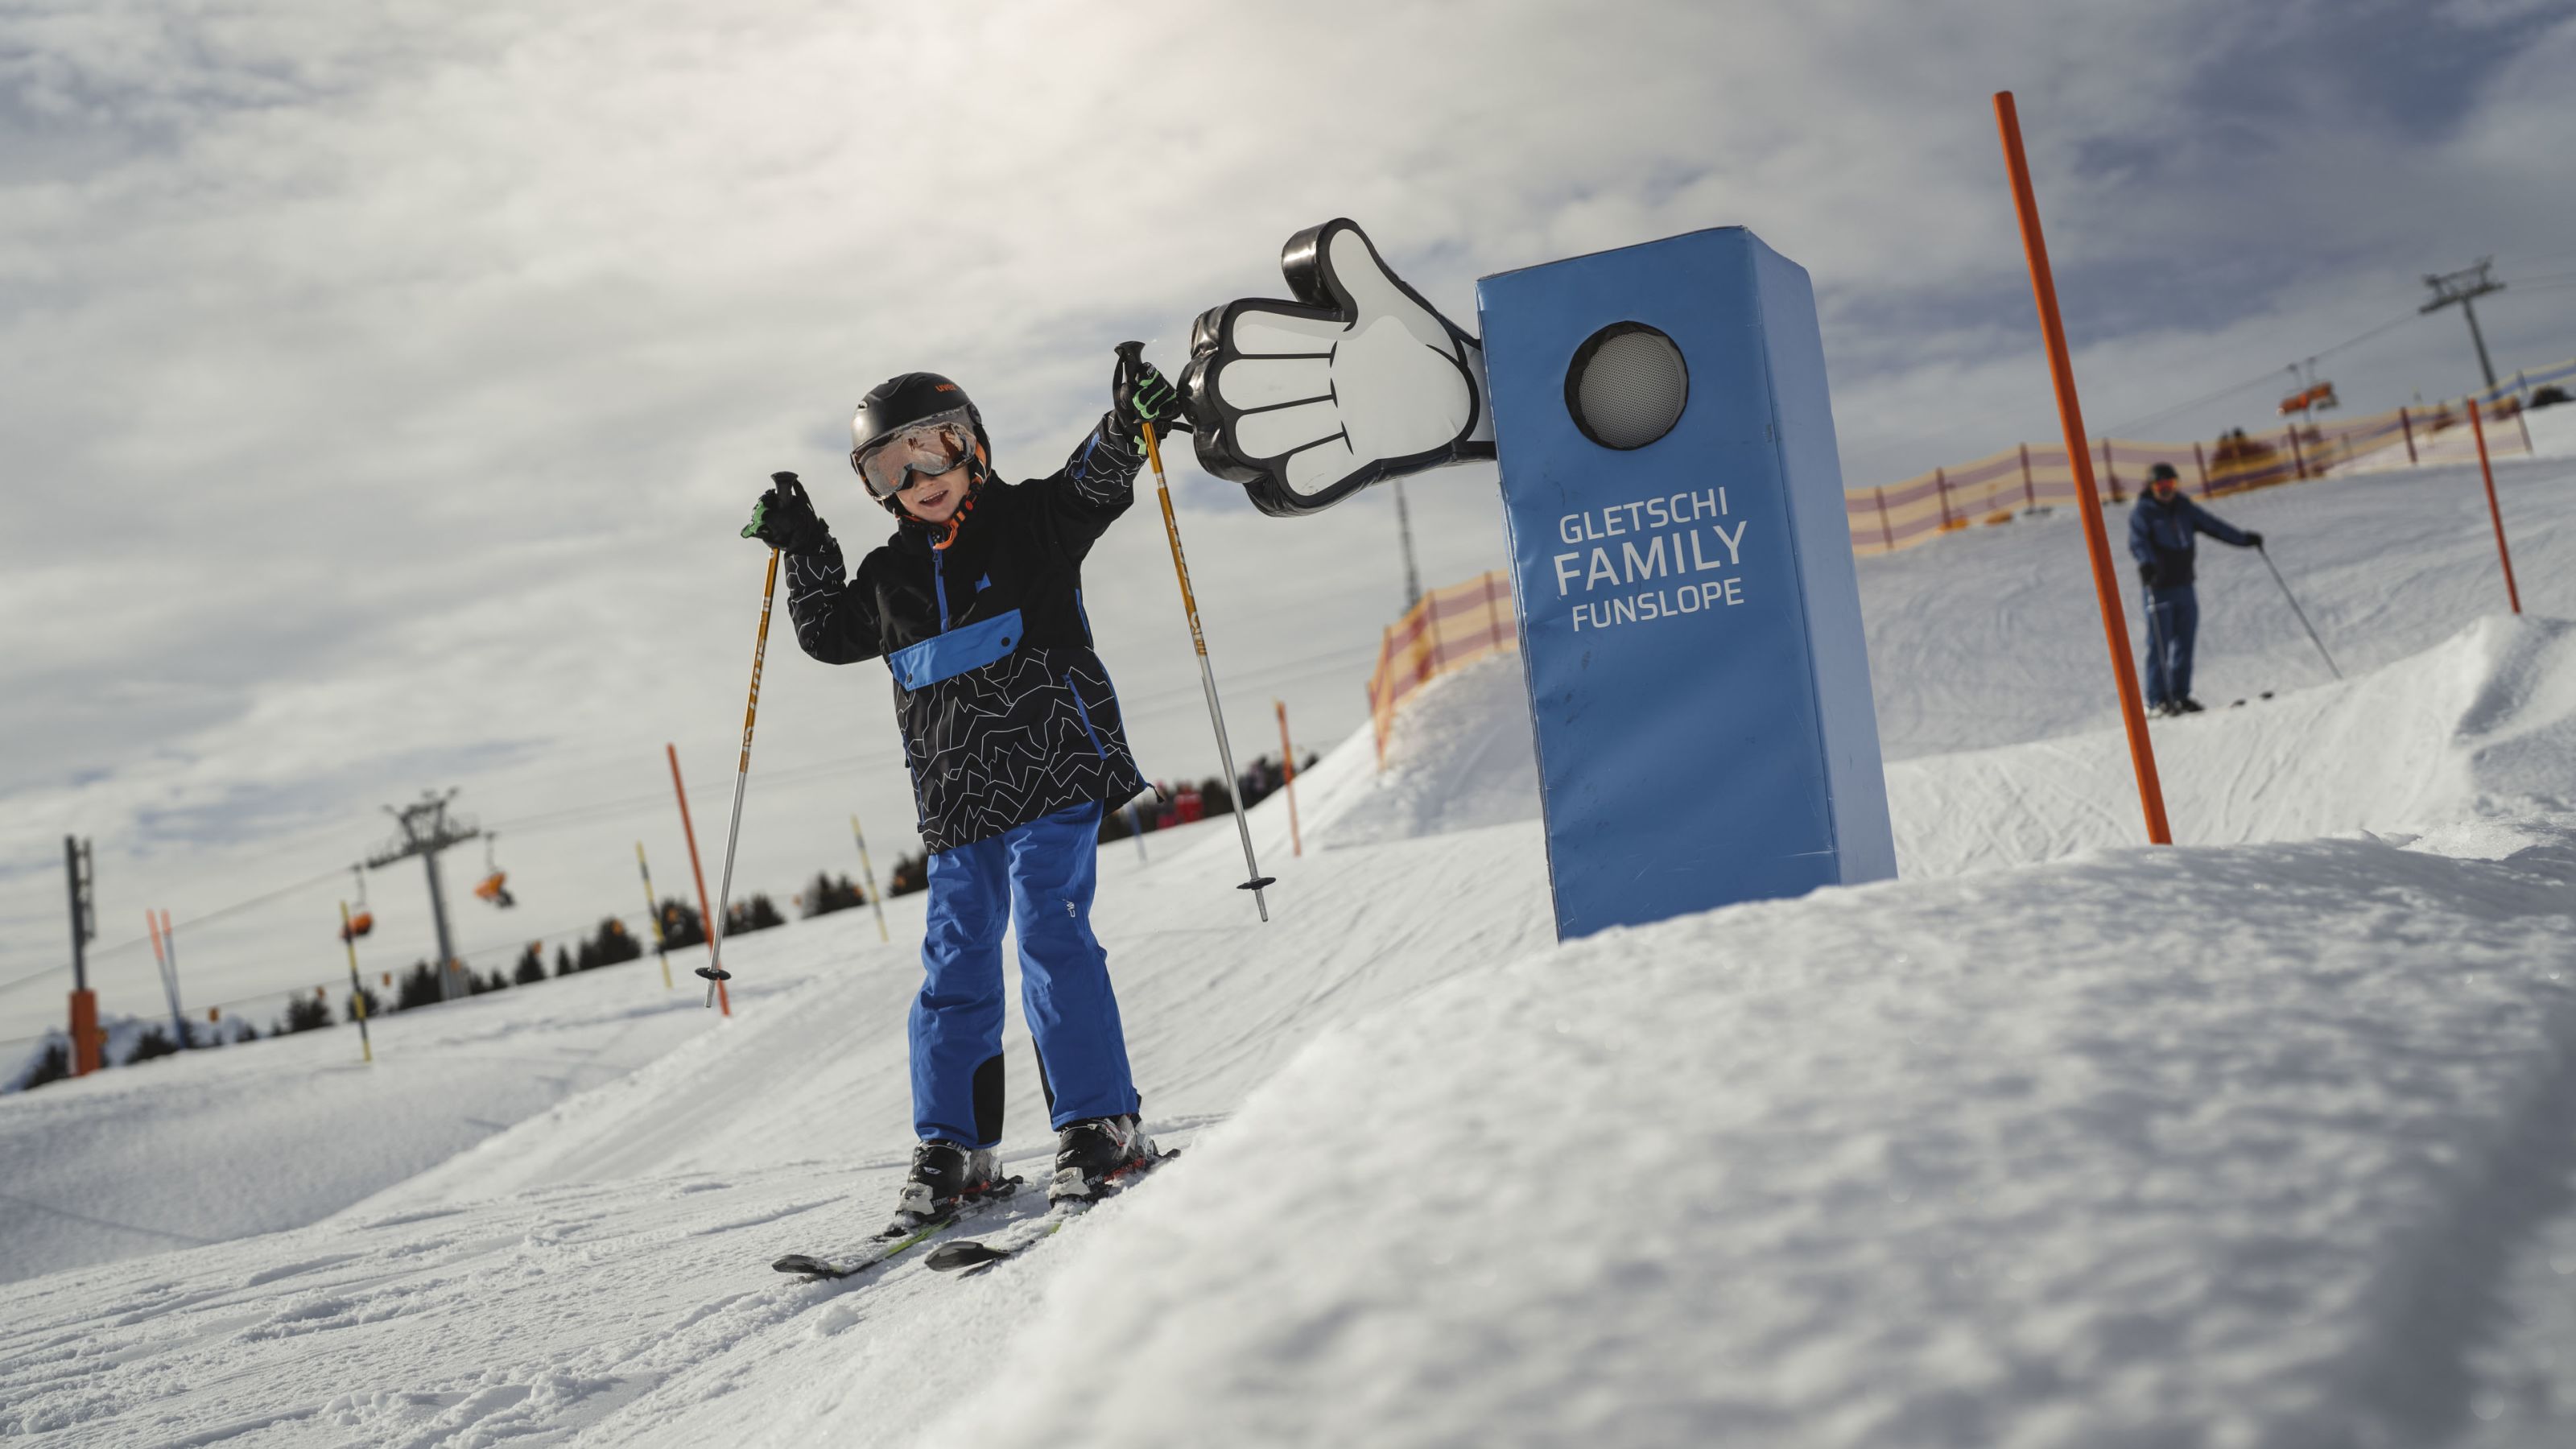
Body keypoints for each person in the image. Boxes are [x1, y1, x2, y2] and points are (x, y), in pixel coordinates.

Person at [741, 345, 1189, 1232]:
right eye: (890, 465)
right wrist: (805, 546)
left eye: (934, 448)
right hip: (958, 800)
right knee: (952, 968)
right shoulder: (891, 579)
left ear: (972, 445)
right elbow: (829, 634)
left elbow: (1091, 486)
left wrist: (1128, 426)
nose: (920, 476)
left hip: (1055, 765)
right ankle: (956, 1148)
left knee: (1049, 935)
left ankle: (1100, 1121)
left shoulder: (1029, 523)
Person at [2128, 461, 2261, 716]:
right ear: (2152, 487)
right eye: (2161, 485)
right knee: (2159, 645)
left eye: (2171, 484)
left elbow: (2213, 526)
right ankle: (2157, 700)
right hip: (2159, 588)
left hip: (2184, 586)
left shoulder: (2183, 508)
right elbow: (2138, 541)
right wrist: (2146, 564)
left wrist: (2243, 539)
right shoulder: (2144, 513)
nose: (2167, 490)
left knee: (2185, 644)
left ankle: (2180, 696)